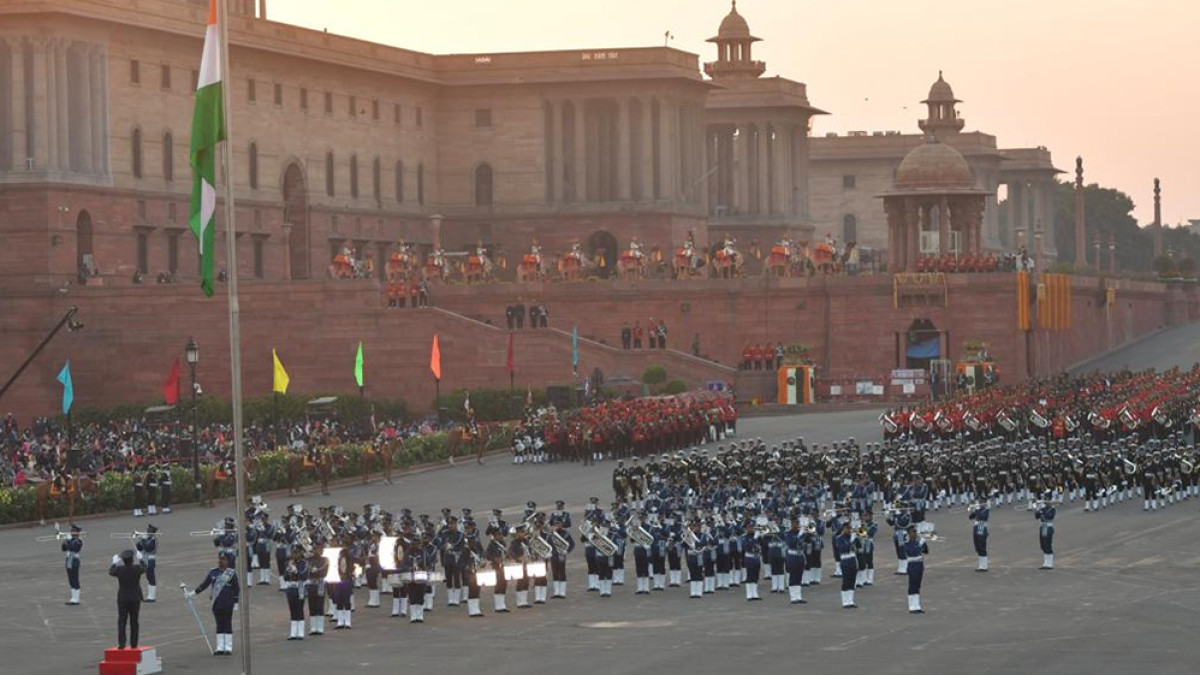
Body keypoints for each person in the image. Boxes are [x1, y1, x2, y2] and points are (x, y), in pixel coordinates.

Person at [188, 552, 240, 656]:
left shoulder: (231, 573)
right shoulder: (213, 572)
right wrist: (193, 593)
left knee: (227, 624)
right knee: (219, 624)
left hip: (228, 603)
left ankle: (228, 647)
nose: (220, 561)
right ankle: (220, 647)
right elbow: (204, 585)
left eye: (223, 559)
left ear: (228, 561)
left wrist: (235, 603)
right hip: (217, 603)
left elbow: (236, 589)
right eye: (220, 559)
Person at [109, 549, 145, 650]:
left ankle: (122, 644)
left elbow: (111, 572)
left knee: (122, 621)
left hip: (123, 598)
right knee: (134, 622)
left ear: (123, 560)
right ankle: (134, 644)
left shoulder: (119, 570)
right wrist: (141, 559)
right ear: (132, 560)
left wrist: (114, 563)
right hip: (135, 598)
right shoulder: (137, 568)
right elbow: (146, 568)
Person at [282, 547, 308, 640]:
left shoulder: (304, 563)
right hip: (290, 587)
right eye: (293, 553)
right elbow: (285, 577)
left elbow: (304, 575)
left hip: (299, 587)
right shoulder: (288, 563)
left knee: (299, 609)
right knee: (292, 610)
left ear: (301, 553)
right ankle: (293, 633)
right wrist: (289, 568)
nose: (295, 555)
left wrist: (296, 570)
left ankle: (300, 632)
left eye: (297, 553)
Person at [902, 525, 929, 614]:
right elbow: (912, 551)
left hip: (919, 564)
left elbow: (926, 551)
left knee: (917, 586)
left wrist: (924, 543)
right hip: (912, 565)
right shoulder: (907, 543)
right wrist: (921, 543)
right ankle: (912, 606)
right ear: (909, 533)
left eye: (915, 531)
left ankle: (917, 605)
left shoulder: (917, 541)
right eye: (913, 531)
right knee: (912, 585)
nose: (915, 533)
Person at [833, 522, 858, 608]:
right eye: (847, 528)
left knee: (852, 581)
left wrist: (856, 538)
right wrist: (851, 540)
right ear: (843, 529)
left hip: (853, 560)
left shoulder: (852, 536)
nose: (849, 530)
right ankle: (845, 602)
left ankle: (850, 601)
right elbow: (844, 549)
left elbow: (859, 546)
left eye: (849, 528)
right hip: (845, 560)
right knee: (846, 581)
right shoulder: (839, 538)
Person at [135, 525, 159, 602]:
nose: (147, 532)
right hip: (144, 560)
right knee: (148, 577)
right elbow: (140, 548)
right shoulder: (146, 538)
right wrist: (139, 541)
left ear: (153, 532)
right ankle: (149, 596)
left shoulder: (154, 539)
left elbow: (149, 548)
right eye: (147, 530)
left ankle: (152, 597)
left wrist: (142, 539)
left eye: (149, 531)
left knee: (151, 577)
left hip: (150, 560)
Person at [63, 524, 84, 605]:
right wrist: (65, 541)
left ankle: (76, 599)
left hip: (74, 560)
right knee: (70, 579)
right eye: (71, 531)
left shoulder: (79, 540)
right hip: (68, 559)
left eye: (74, 531)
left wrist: (68, 541)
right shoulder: (70, 539)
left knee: (75, 578)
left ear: (78, 532)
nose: (72, 532)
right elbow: (63, 548)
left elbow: (74, 548)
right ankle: (73, 598)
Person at [1036, 496, 1056, 570]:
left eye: (1048, 500)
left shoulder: (1053, 509)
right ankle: (1045, 563)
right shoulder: (1042, 508)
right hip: (1042, 527)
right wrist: (1037, 510)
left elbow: (1049, 518)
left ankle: (1050, 564)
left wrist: (1042, 514)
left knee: (1048, 544)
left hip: (1048, 527)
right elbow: (1036, 517)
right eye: (1045, 500)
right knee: (1043, 545)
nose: (1046, 501)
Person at [969, 502, 989, 572]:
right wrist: (972, 509)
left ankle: (984, 566)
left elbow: (981, 517)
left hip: (981, 526)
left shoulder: (986, 509)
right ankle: (981, 566)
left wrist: (977, 509)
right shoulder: (978, 509)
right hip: (976, 527)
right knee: (977, 547)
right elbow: (970, 517)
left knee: (982, 547)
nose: (979, 503)